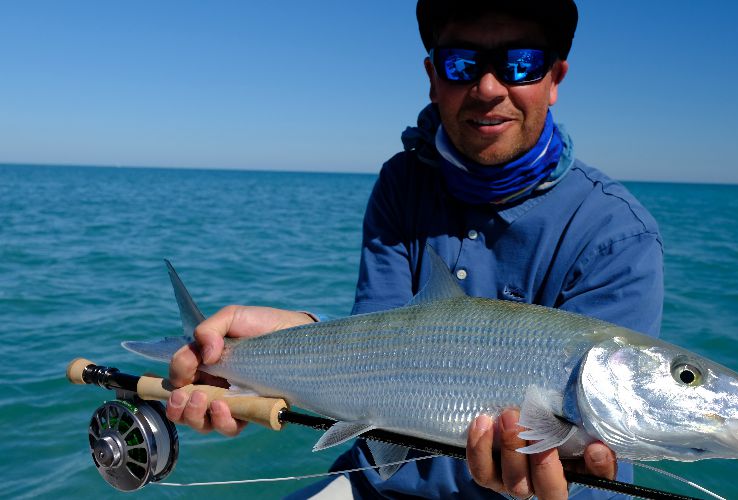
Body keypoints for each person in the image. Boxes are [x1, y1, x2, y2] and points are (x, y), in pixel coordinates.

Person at [166, 1, 664, 498]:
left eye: (520, 64)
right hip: (378, 483)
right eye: (461, 64)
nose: (489, 88)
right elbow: (380, 349)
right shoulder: (402, 182)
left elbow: (601, 449)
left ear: (554, 78)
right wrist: (286, 344)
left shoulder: (618, 233)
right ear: (433, 75)